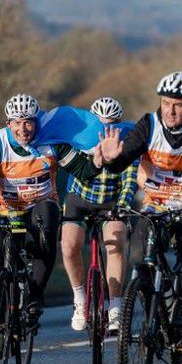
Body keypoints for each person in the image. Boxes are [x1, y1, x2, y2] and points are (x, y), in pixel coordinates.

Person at [97, 71, 182, 354]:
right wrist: (111, 159)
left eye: (178, 104)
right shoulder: (149, 124)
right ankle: (154, 311)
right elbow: (126, 157)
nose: (170, 110)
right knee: (138, 257)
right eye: (166, 102)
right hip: (156, 205)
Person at [0, 93, 101, 331]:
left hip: (40, 203)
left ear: (37, 121)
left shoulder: (52, 142)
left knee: (48, 231)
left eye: (28, 122)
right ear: (8, 123)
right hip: (3, 206)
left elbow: (83, 170)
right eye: (17, 123)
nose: (23, 129)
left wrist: (100, 161)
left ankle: (34, 296)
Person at [60, 97, 137, 333]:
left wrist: (122, 207)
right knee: (70, 245)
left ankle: (115, 306)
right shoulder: (81, 142)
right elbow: (71, 168)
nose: (105, 131)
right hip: (80, 200)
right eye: (100, 124)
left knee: (115, 242)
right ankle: (79, 299)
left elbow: (130, 182)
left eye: (111, 124)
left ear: (119, 125)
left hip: (111, 202)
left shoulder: (126, 144)